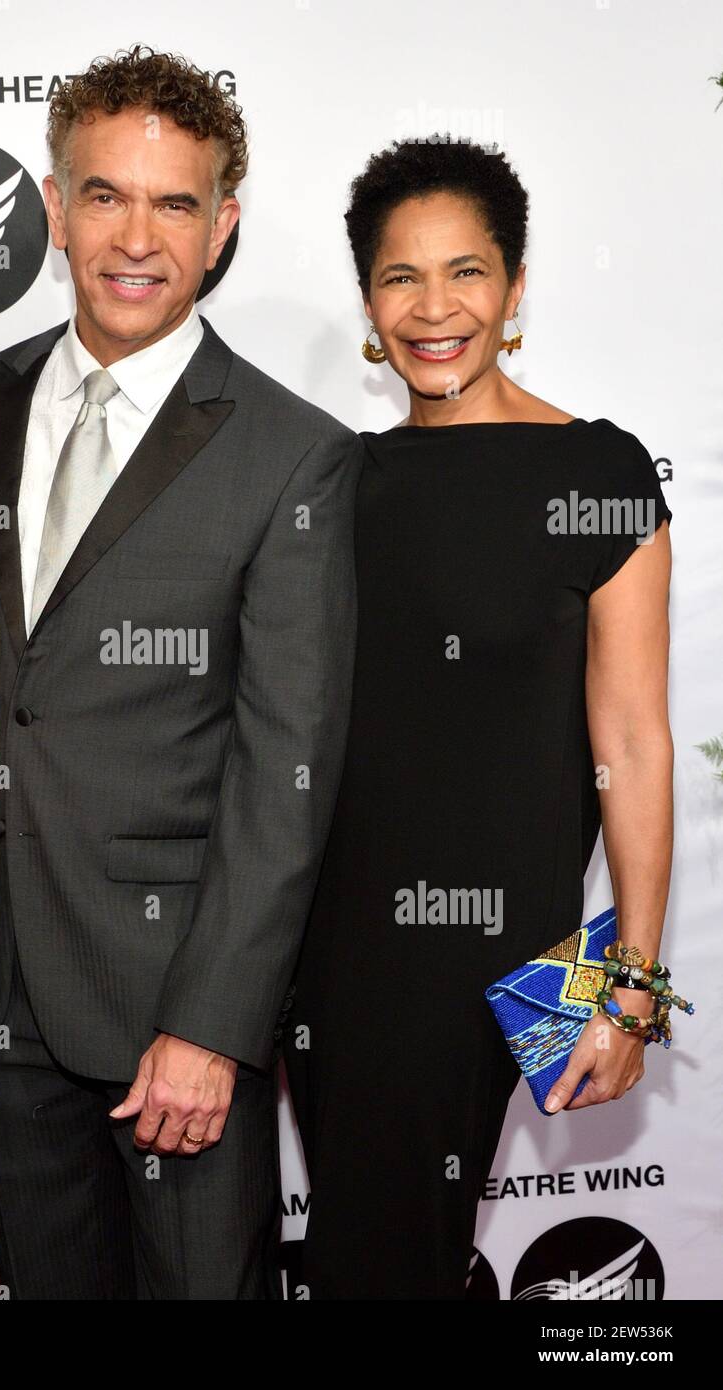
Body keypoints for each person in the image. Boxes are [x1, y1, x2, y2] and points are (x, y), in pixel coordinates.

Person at [0, 44, 361, 1299]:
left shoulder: (296, 456)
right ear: (55, 209)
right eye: (106, 195)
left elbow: (284, 772)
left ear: (222, 224)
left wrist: (211, 1025)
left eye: (175, 202)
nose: (137, 235)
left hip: (165, 1005)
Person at [284, 136, 676, 1299]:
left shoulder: (598, 473)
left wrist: (632, 983)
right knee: (382, 1247)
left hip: (510, 951)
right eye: (401, 277)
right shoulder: (332, 479)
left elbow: (635, 743)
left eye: (465, 272)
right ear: (366, 300)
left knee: (396, 1245)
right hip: (333, 955)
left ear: (512, 288)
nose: (433, 307)